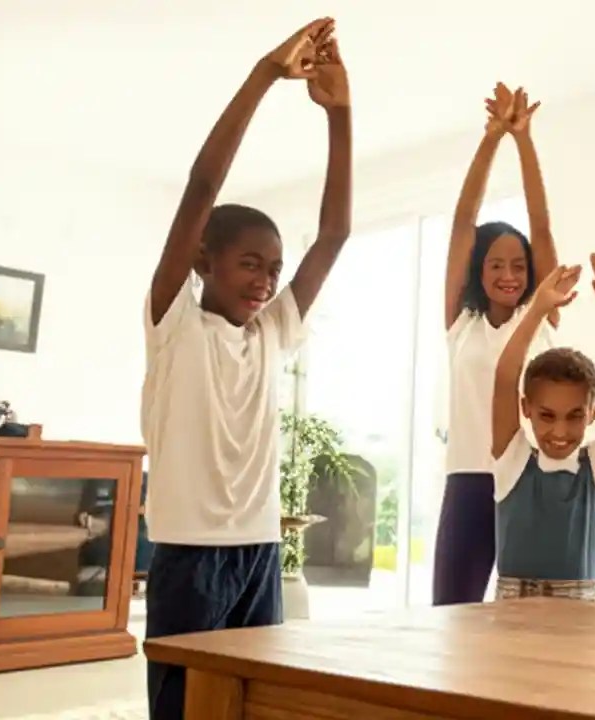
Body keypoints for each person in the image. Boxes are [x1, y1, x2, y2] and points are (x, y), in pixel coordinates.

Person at [140, 18, 352, 720]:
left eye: (274, 269)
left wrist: (340, 115)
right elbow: (203, 184)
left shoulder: (271, 333)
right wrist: (266, 73)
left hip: (258, 551)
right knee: (183, 710)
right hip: (189, 556)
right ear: (204, 260)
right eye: (249, 263)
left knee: (255, 707)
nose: (265, 281)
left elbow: (335, 233)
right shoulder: (175, 324)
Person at [435, 83, 560, 605]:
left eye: (518, 265)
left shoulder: (543, 315)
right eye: (496, 264)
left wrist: (524, 140)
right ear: (478, 271)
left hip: (528, 483)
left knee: (529, 624)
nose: (509, 274)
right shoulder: (461, 324)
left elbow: (540, 222)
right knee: (451, 614)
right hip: (467, 481)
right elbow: (464, 221)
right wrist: (492, 139)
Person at [490, 256, 595, 602]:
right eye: (547, 416)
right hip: (510, 622)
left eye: (574, 416)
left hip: (581, 622)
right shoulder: (512, 462)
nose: (560, 430)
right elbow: (505, 377)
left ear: (593, 413)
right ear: (526, 409)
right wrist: (538, 309)